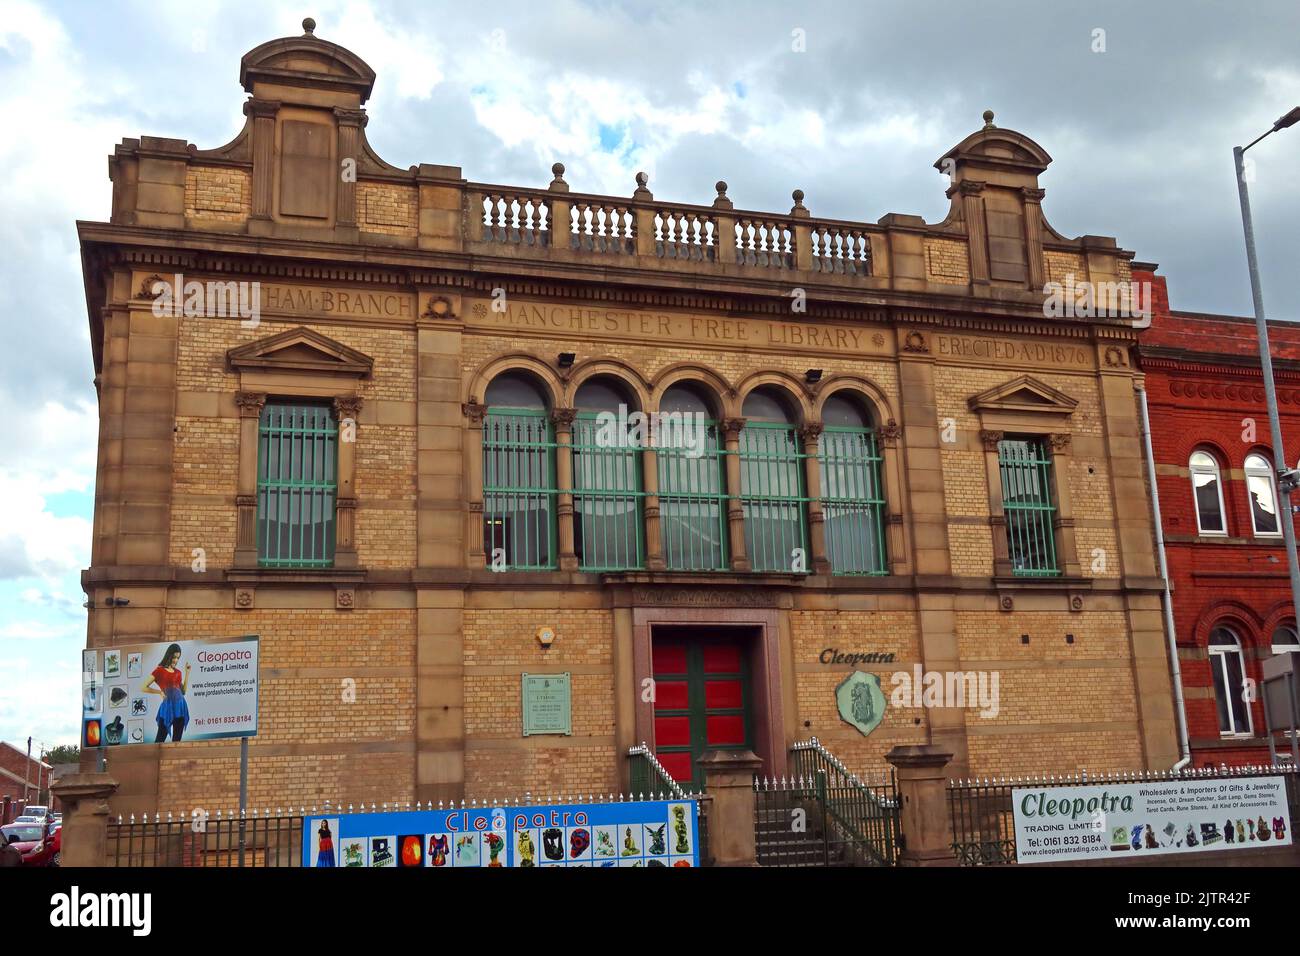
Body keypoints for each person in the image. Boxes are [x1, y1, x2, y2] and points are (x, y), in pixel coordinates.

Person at [143, 643, 191, 743]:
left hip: (181, 708)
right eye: (174, 657)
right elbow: (143, 687)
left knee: (176, 741)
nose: (176, 660)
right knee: (159, 741)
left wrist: (187, 673)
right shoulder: (159, 670)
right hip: (167, 709)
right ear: (168, 655)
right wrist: (159, 692)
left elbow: (183, 692)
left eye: (178, 658)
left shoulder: (178, 672)